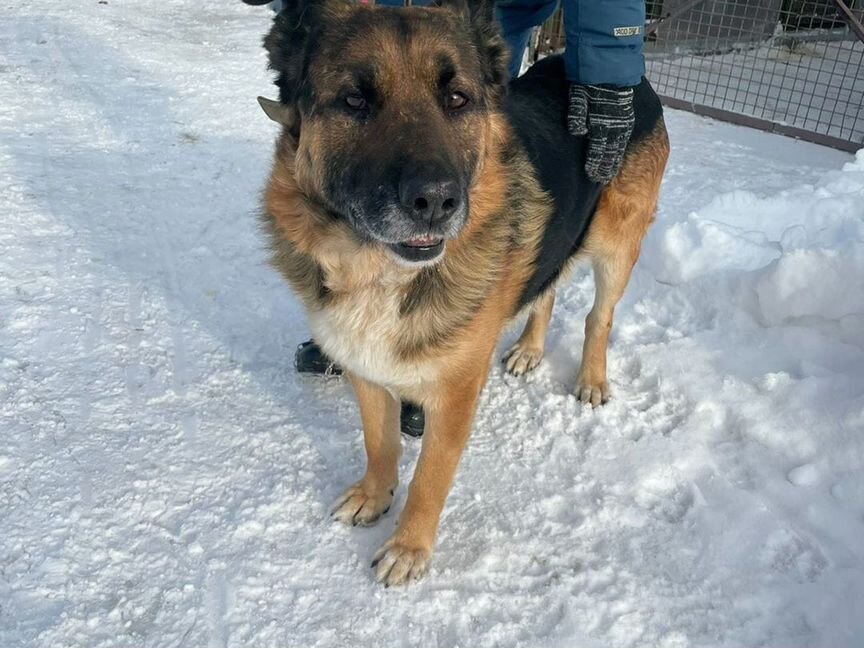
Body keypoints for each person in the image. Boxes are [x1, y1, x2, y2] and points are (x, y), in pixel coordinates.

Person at [245, 0, 646, 436]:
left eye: (455, 100)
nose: (433, 194)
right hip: (359, 26)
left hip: (479, 24)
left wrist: (610, 64)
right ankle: (375, 349)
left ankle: (594, 335)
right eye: (356, 100)